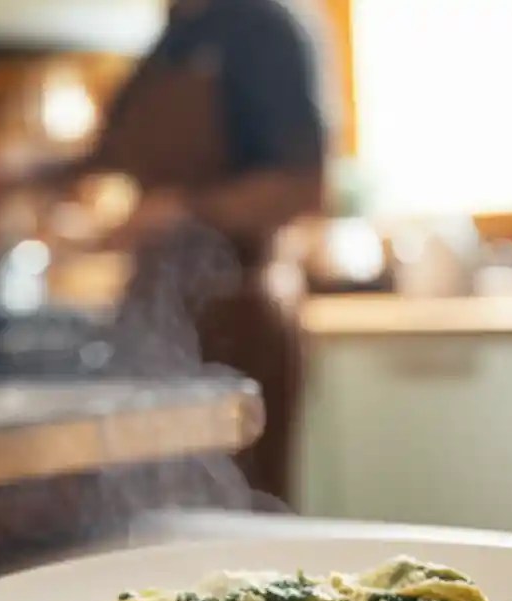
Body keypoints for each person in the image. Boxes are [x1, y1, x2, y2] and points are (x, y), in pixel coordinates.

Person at [18, 0, 333, 505]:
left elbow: (304, 187)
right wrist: (26, 176)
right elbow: (110, 153)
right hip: (147, 316)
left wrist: (183, 211)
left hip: (240, 315)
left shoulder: (267, 29)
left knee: (244, 505)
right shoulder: (172, 38)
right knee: (143, 505)